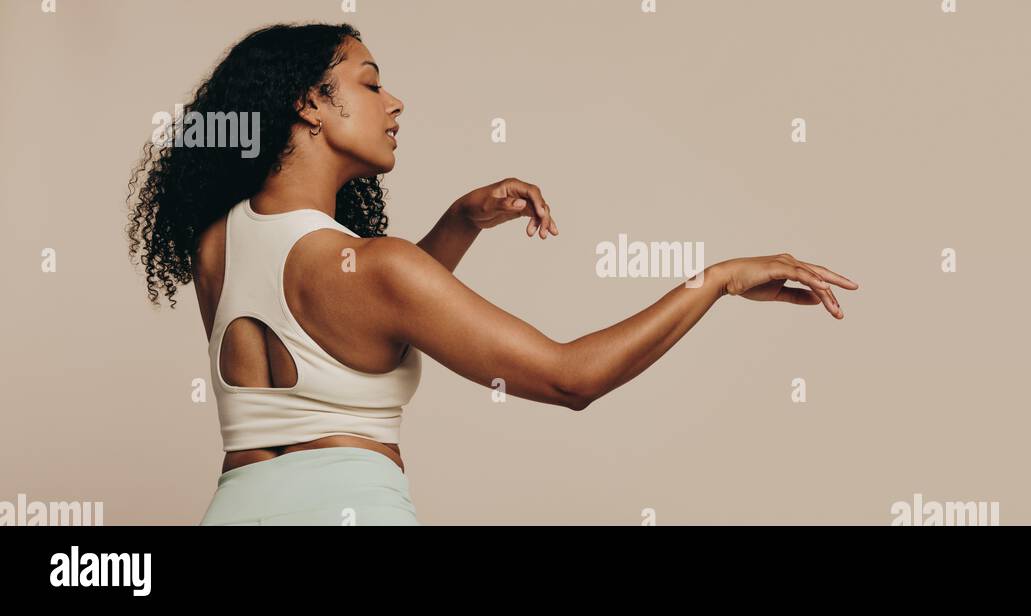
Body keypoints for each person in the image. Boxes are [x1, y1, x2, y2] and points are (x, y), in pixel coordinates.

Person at [125, 23, 858, 525]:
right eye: (371, 84)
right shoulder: (378, 270)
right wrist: (719, 279)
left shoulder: (217, 245)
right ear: (311, 103)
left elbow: (351, 333)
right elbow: (572, 378)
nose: (395, 101)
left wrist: (457, 226)